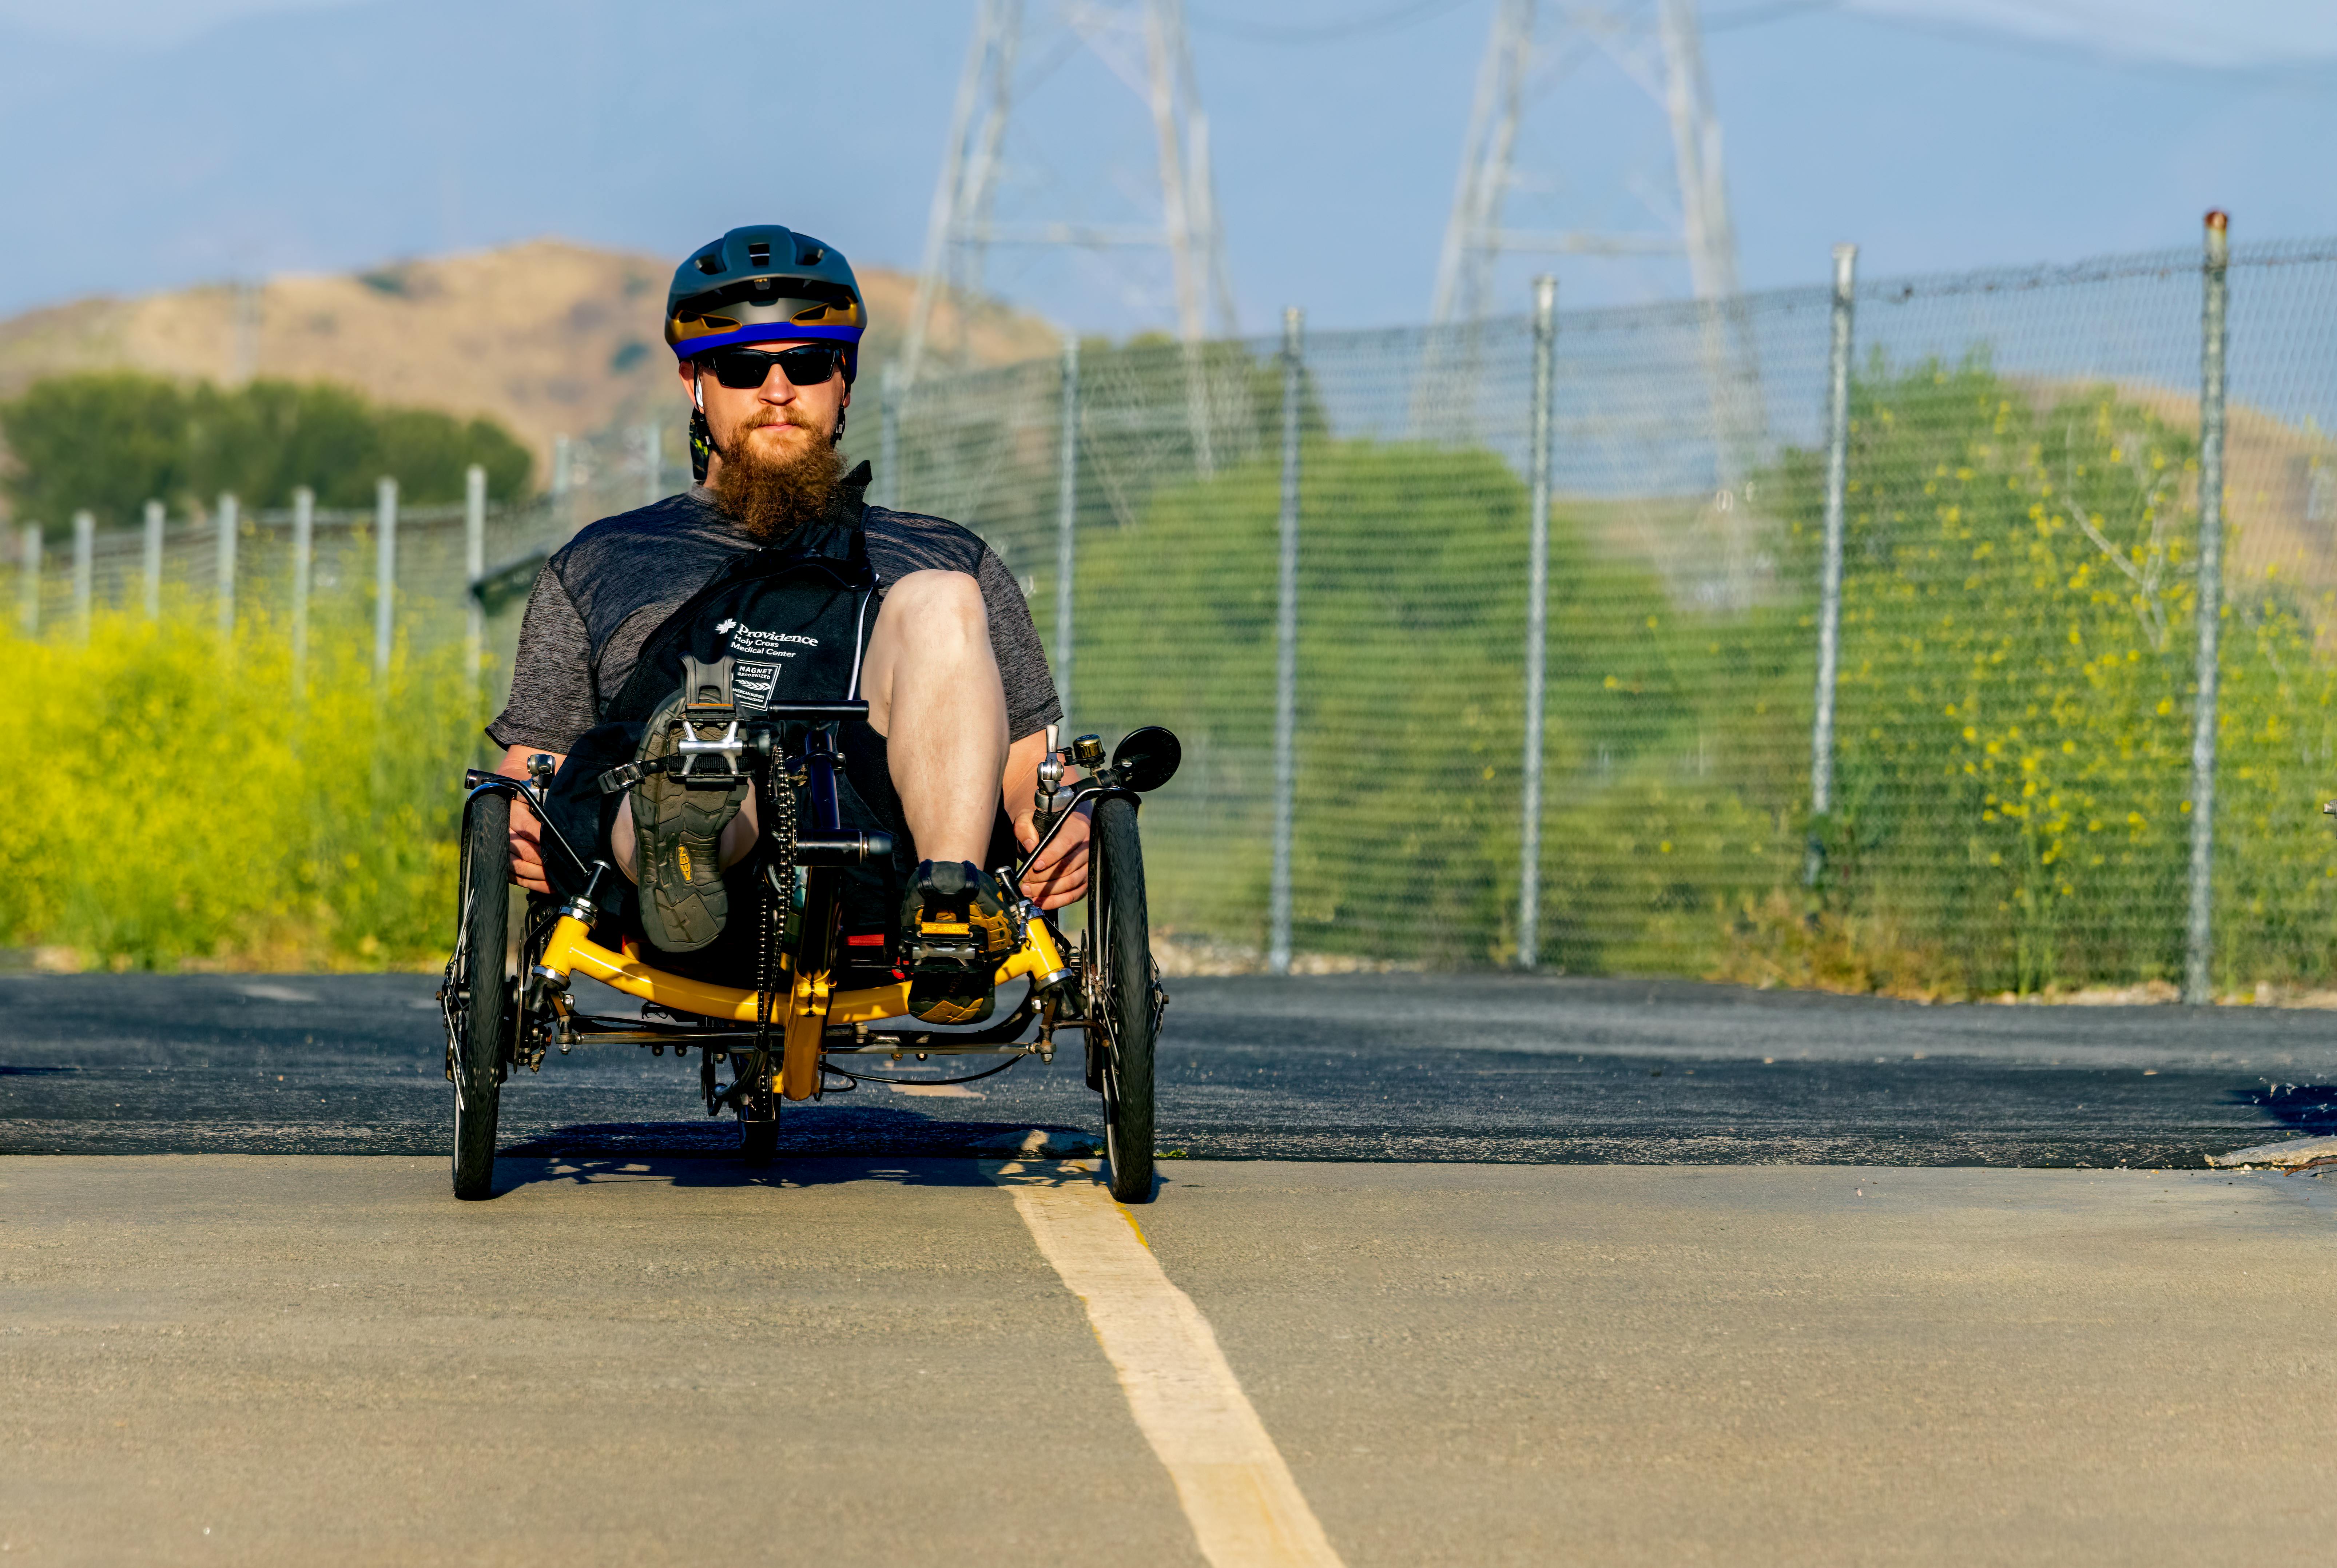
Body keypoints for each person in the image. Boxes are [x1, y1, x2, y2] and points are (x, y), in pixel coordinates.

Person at [486, 224, 1086, 1024]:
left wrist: (1058, 816)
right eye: (743, 367)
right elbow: (541, 766)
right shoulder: (603, 560)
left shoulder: (944, 553)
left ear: (844, 381)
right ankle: (686, 828)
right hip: (681, 879)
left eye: (805, 364)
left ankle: (948, 904)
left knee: (938, 599)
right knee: (706, 747)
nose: (777, 390)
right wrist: (523, 815)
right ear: (694, 383)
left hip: (879, 850)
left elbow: (1025, 766)